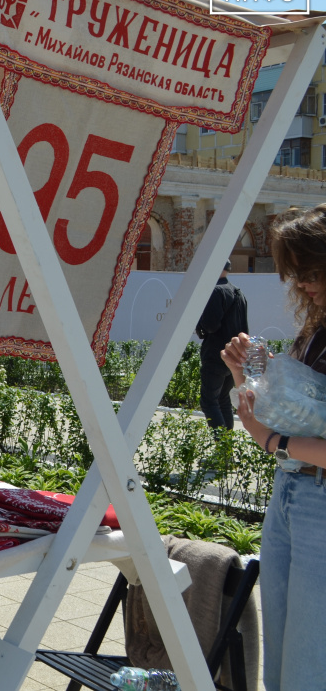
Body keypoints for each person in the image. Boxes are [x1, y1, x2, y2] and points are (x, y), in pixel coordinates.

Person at [224, 205, 326, 691]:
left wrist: (273, 440)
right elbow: (285, 412)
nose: (303, 285)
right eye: (297, 275)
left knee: (309, 658)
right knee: (283, 651)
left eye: (311, 272)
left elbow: (282, 431)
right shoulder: (316, 331)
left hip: (317, 497)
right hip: (293, 490)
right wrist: (245, 375)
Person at [197, 259, 248, 435]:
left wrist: (200, 324)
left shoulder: (216, 291)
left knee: (209, 401)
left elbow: (210, 325)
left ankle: (222, 454)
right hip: (234, 356)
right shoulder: (238, 292)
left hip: (216, 355)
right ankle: (226, 452)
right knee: (223, 399)